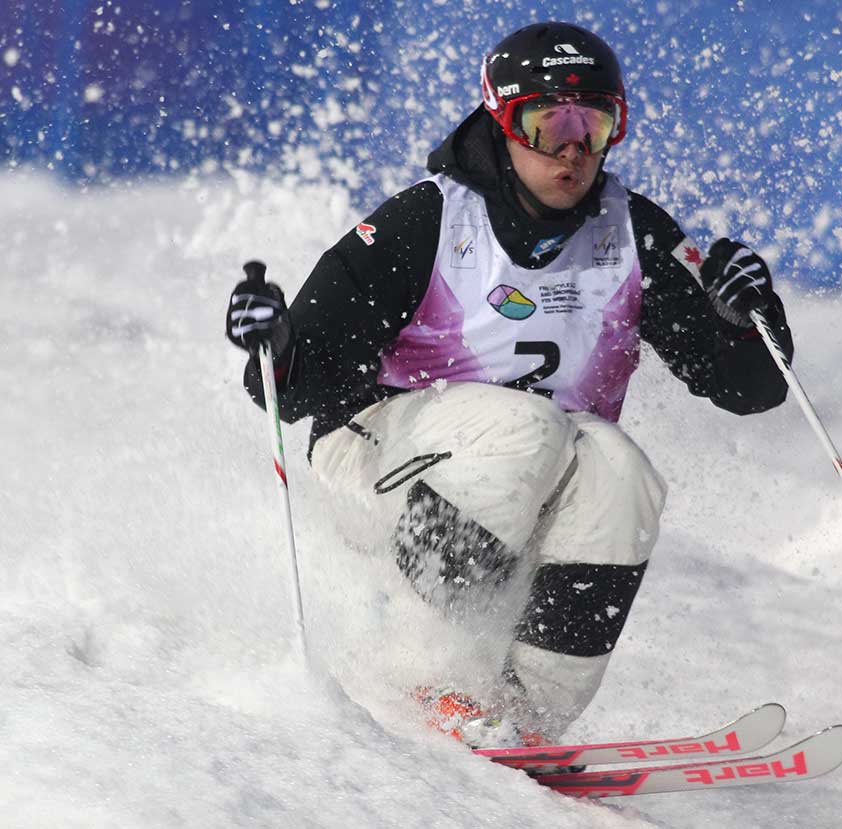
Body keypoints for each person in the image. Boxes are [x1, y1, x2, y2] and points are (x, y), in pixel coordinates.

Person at [226, 21, 793, 747]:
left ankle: (522, 716)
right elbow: (287, 391)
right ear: (502, 120)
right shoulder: (428, 221)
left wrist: (745, 319)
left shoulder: (632, 235)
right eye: (547, 122)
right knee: (529, 426)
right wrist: (274, 344)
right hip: (376, 464)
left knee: (623, 469)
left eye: (595, 123)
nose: (573, 149)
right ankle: (421, 666)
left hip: (522, 492)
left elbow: (750, 387)